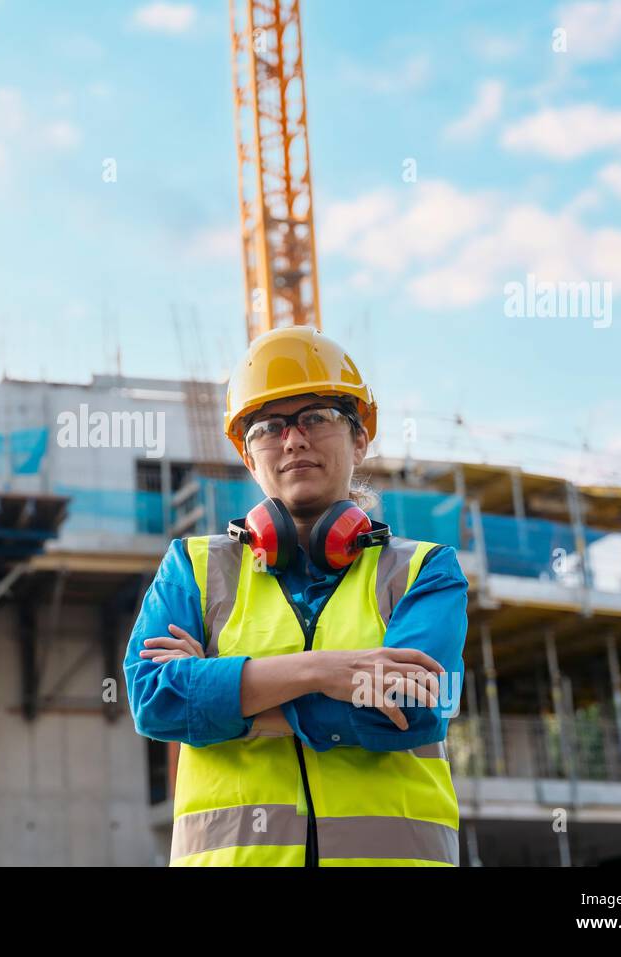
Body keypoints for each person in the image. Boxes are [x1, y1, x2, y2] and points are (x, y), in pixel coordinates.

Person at [123, 326, 468, 866]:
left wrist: (226, 701)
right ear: (246, 454)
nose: (293, 439)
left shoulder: (424, 569)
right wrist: (322, 672)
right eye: (268, 426)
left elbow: (415, 708)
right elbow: (156, 700)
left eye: (317, 418)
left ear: (359, 439)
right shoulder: (192, 566)